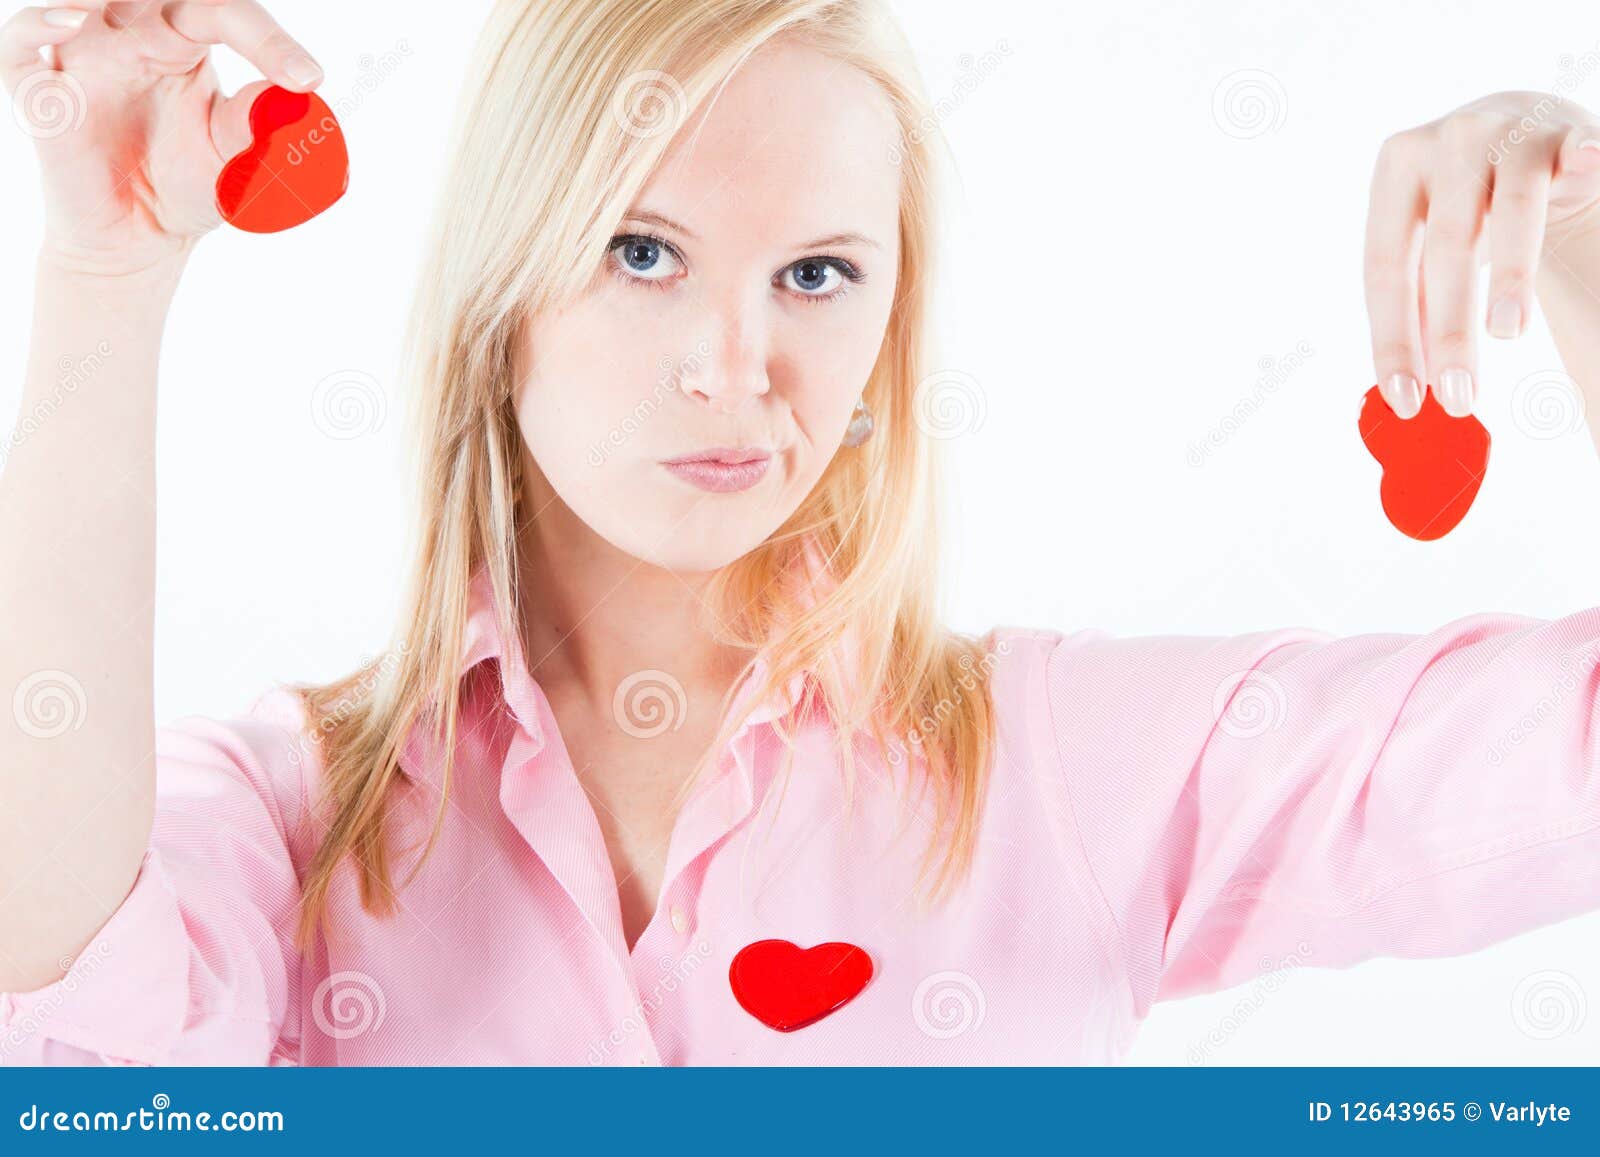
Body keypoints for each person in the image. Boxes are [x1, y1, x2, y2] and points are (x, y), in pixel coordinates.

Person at [1, 0, 1597, 1066]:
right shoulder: (288, 817)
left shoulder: (1064, 764)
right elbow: (58, 975)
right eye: (643, 251)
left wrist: (1586, 240)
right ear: (501, 295)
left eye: (816, 274)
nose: (736, 365)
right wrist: (103, 274)